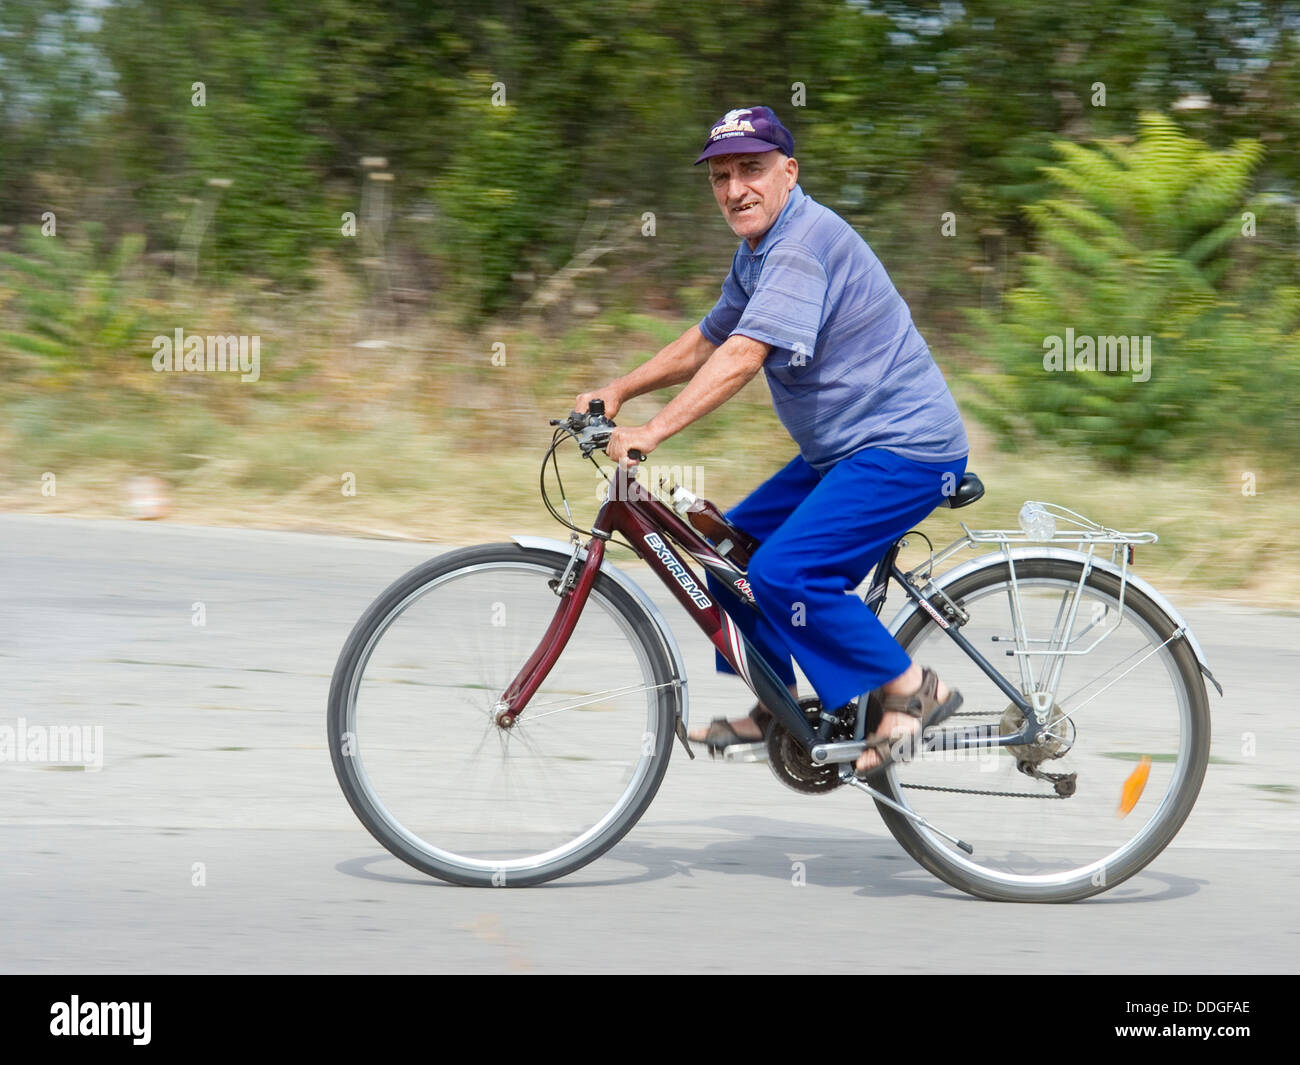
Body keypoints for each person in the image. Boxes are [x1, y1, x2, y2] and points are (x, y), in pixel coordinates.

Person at [575, 105, 969, 780]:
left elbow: (744, 355)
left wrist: (651, 431)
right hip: (844, 451)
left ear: (789, 172)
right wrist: (620, 390)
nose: (734, 189)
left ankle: (912, 690)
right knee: (723, 550)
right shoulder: (760, 250)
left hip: (906, 450)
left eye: (751, 170)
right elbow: (707, 339)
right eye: (721, 176)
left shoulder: (799, 247)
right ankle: (780, 703)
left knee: (784, 572)